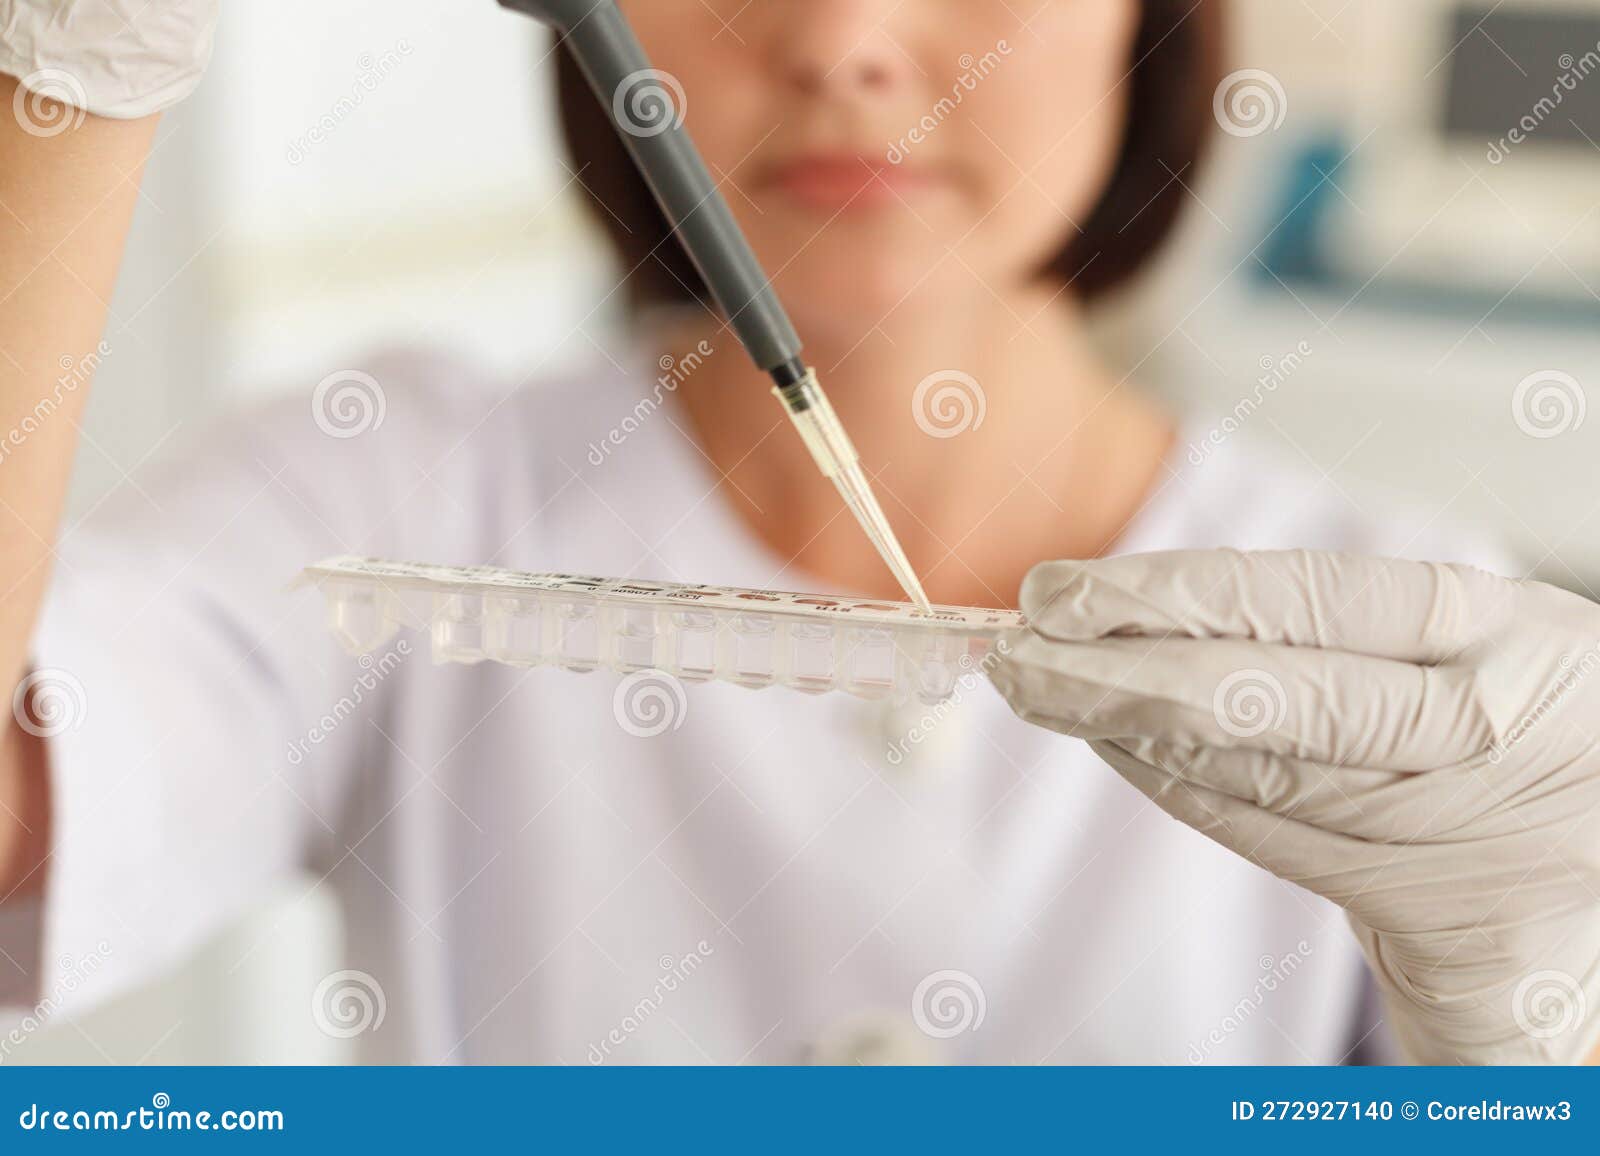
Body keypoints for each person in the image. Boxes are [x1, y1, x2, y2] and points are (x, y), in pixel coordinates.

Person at [0, 0, 1596, 1065]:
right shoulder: (387, 495)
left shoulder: (1427, 648)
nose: (840, 40)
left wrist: (1542, 1056)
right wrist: (67, 80)